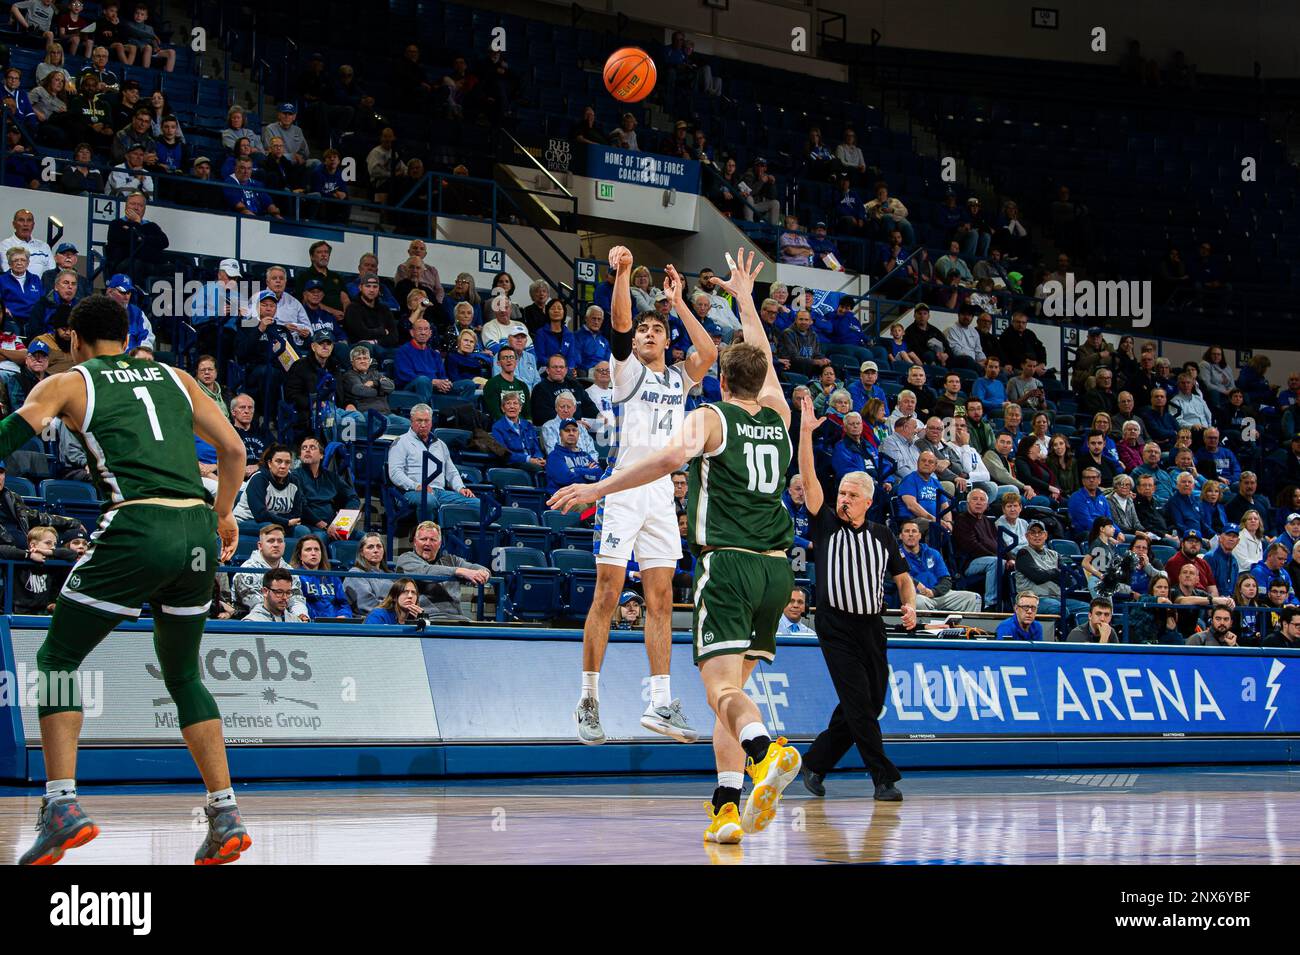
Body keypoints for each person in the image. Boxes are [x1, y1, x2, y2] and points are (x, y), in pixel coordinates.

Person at [551, 247, 803, 842]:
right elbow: (757, 357)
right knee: (728, 687)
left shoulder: (708, 415)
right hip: (778, 570)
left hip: (724, 555)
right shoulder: (779, 413)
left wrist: (596, 484)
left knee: (721, 691)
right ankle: (726, 805)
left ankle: (766, 750)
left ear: (720, 379)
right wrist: (742, 296)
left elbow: (669, 457)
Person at [7, 293, 252, 866]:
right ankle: (225, 813)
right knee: (184, 674)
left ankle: (63, 803)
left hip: (138, 523)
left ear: (73, 337)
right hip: (196, 529)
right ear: (128, 333)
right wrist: (221, 514)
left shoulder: (69, 382)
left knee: (58, 660)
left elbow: (13, 434)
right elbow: (235, 448)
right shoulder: (177, 376)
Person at [551, 249, 716, 750]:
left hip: (663, 495)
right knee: (607, 592)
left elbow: (707, 353)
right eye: (644, 330)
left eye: (656, 330)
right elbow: (620, 325)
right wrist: (622, 274)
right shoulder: (625, 371)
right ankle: (589, 698)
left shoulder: (678, 378)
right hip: (622, 490)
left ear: (667, 340)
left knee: (662, 599)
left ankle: (660, 701)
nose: (647, 334)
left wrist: (679, 304)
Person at [386, 404, 474, 517]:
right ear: (411, 421)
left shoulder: (440, 444)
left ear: (431, 422)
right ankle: (426, 533)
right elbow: (395, 473)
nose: (423, 425)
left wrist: (461, 488)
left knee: (476, 503)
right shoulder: (401, 442)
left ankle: (452, 533)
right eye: (419, 421)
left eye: (426, 421)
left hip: (440, 492)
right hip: (413, 491)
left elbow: (451, 472)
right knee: (427, 500)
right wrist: (416, 486)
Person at [393, 521, 489, 620]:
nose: (428, 543)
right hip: (425, 618)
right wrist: (459, 571)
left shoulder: (452, 560)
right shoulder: (406, 559)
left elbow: (474, 568)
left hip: (458, 619)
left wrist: (484, 572)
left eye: (433, 540)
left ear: (439, 544)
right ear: (415, 542)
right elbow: (426, 571)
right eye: (423, 539)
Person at [897, 519, 982, 613]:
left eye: (914, 531)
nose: (911, 534)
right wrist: (917, 584)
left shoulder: (933, 553)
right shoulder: (896, 555)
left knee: (973, 598)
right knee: (918, 602)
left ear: (920, 536)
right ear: (901, 536)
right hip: (917, 596)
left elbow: (946, 579)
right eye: (906, 531)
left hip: (937, 594)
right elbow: (897, 577)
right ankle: (927, 626)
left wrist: (933, 592)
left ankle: (968, 627)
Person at [1014, 519, 1090, 620]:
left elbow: (1067, 580)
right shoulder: (1023, 554)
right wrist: (1056, 572)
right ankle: (1059, 635)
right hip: (1034, 599)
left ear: (1045, 535)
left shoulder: (1055, 554)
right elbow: (1038, 577)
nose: (1037, 536)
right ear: (1027, 536)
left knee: (1088, 609)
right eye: (1033, 533)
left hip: (1058, 598)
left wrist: (1047, 573)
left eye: (1040, 533)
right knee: (1060, 609)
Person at [232, 444, 310, 539]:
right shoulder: (259, 479)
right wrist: (286, 522)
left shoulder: (294, 482)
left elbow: (297, 514)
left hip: (277, 523)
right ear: (269, 463)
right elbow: (260, 514)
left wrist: (282, 521)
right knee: (271, 529)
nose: (283, 466)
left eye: (287, 462)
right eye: (278, 461)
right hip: (244, 522)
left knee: (303, 531)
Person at [343, 532, 390, 617]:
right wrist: (397, 609)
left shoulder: (390, 575)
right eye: (370, 547)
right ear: (361, 552)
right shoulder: (355, 573)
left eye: (379, 546)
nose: (376, 550)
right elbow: (367, 604)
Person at [364, 577, 428, 626]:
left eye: (413, 592)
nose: (410, 596)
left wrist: (423, 622)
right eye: (405, 592)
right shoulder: (378, 615)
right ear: (394, 597)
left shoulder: (417, 618)